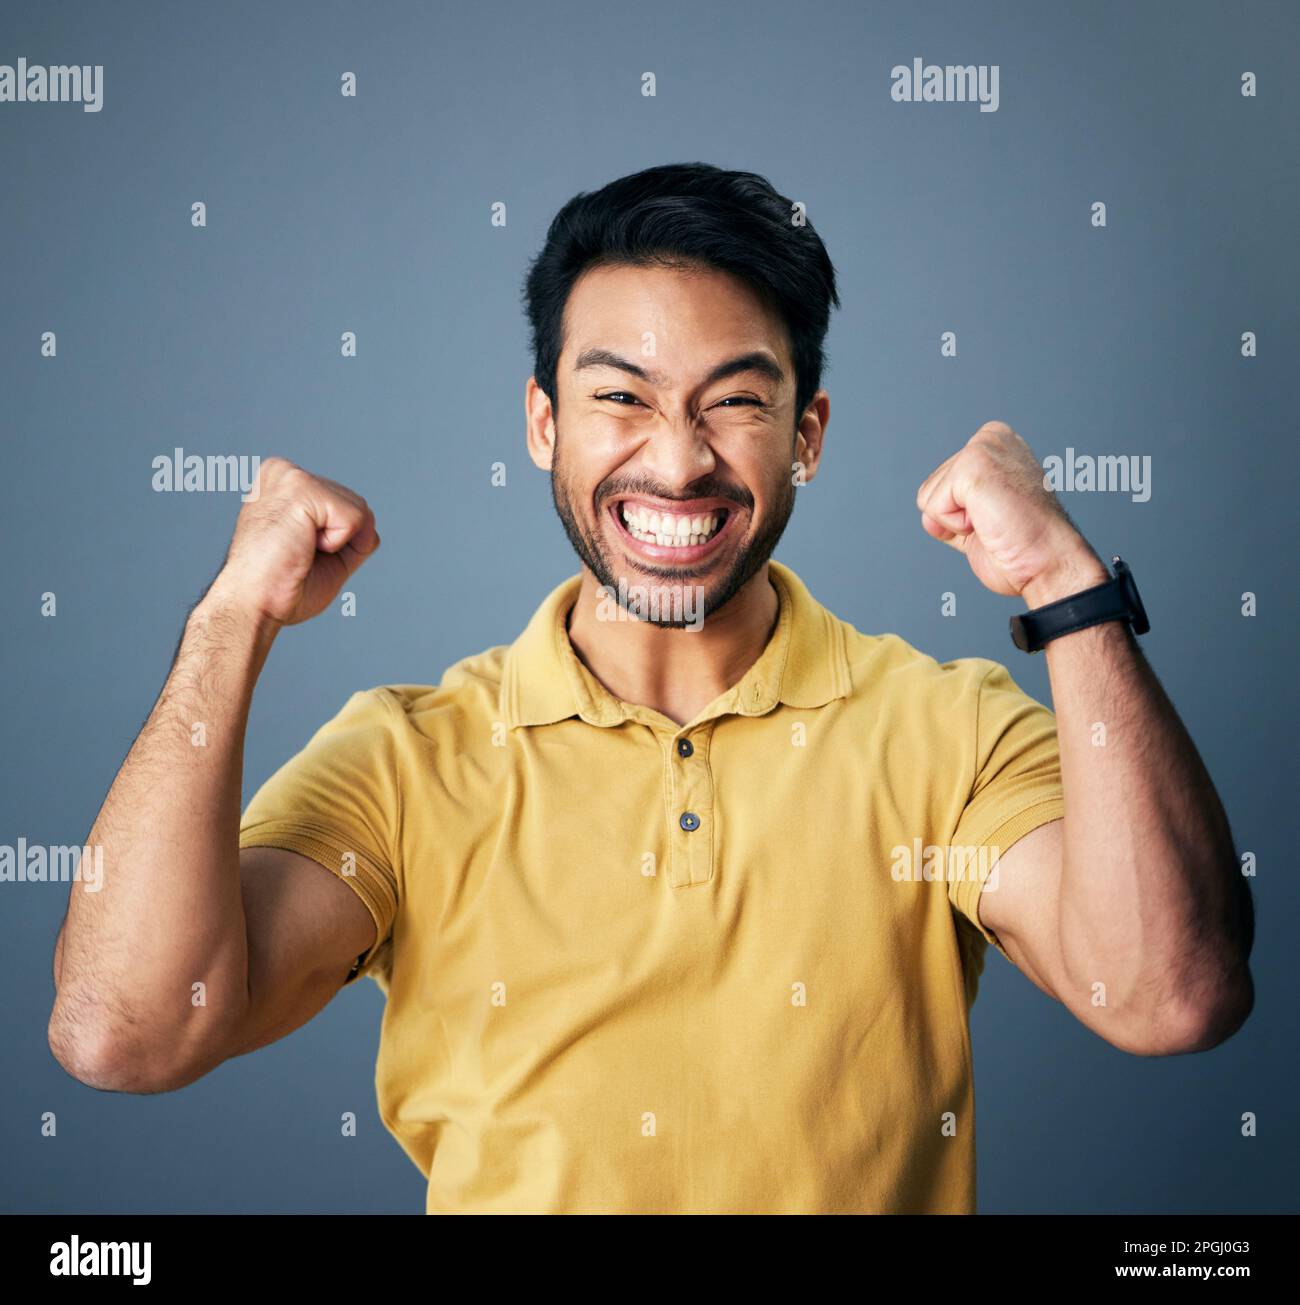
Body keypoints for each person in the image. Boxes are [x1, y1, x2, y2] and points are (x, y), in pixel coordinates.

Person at [48, 162, 1254, 1214]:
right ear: (542, 423)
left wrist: (1066, 584)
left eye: (734, 400)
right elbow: (125, 1030)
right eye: (619, 396)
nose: (676, 459)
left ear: (809, 435)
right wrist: (232, 617)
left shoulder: (943, 732)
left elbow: (1170, 994)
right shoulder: (404, 762)